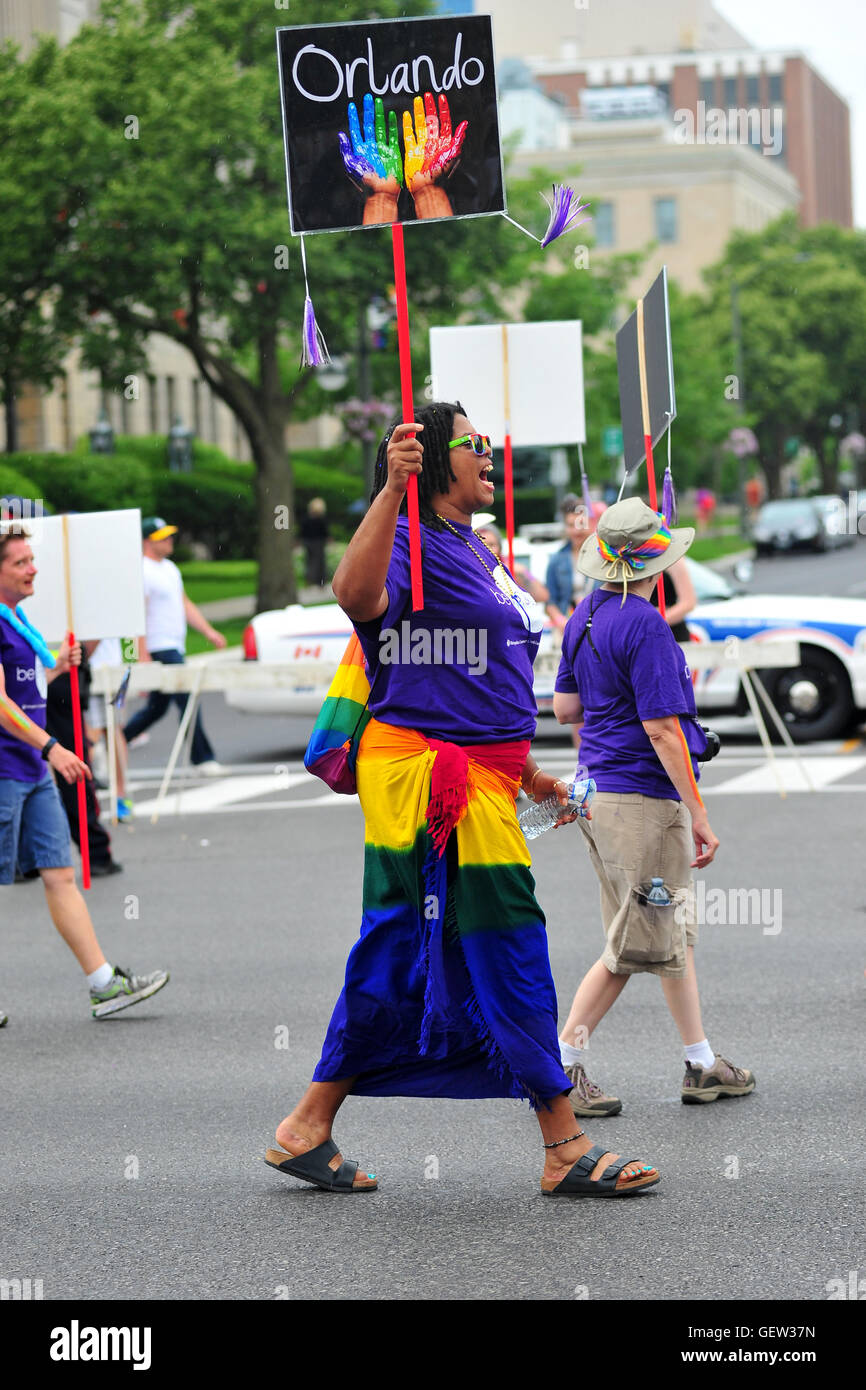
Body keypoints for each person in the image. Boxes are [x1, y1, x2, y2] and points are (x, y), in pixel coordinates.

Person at [264, 403, 660, 1198]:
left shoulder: (471, 547)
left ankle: (306, 1125)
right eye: (476, 445)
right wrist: (390, 491)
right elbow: (353, 591)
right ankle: (564, 1141)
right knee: (506, 938)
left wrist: (530, 777)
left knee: (399, 947)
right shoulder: (408, 537)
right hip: (427, 785)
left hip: (482, 775)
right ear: (435, 462)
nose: (491, 455)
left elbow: (465, 682)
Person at [552, 498, 754, 1116]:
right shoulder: (645, 625)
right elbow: (664, 730)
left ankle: (701, 1063)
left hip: (600, 796)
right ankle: (559, 1068)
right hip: (644, 801)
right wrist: (699, 813)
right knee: (632, 945)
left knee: (669, 935)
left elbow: (565, 710)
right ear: (654, 565)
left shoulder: (583, 618)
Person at [0, 524, 169, 1023]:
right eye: (20, 562)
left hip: (29, 767)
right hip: (10, 767)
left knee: (59, 873)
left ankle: (102, 984)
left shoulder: (16, 618)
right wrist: (52, 746)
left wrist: (57, 669)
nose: (33, 568)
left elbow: (24, 686)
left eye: (32, 559)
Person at [123, 517, 226, 773]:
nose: (170, 541)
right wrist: (142, 653)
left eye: (170, 536)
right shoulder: (142, 570)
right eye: (163, 537)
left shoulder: (170, 568)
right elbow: (138, 613)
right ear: (148, 541)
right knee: (186, 697)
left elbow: (185, 604)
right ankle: (202, 759)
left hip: (173, 645)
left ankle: (116, 740)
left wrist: (208, 631)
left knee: (157, 708)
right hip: (159, 647)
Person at [44, 641, 122, 876]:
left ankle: (20, 857)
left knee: (30, 769)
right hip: (53, 673)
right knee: (71, 767)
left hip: (45, 670)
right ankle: (95, 851)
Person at [544, 495, 605, 633]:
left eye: (581, 523)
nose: (577, 530)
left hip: (600, 626)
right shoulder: (556, 559)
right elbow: (550, 601)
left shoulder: (605, 556)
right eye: (571, 525)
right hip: (569, 627)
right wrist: (561, 621)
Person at [473, 522, 549, 604]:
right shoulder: (469, 571)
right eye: (482, 544)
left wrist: (521, 573)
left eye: (491, 545)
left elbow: (543, 596)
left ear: (500, 547)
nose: (487, 549)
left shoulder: (511, 569)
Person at [299, 498, 330, 589]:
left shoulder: (306, 519)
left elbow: (302, 531)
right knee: (319, 562)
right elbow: (325, 532)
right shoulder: (321, 519)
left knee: (310, 562)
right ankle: (320, 581)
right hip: (318, 542)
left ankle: (310, 580)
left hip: (309, 542)